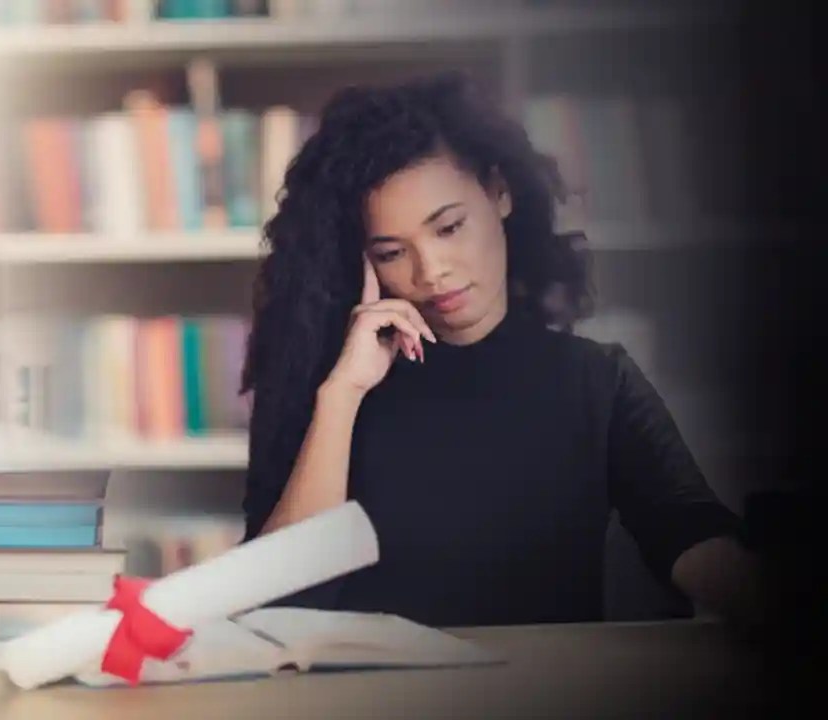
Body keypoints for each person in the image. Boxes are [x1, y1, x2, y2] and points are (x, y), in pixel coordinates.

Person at [238, 71, 769, 628]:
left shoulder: (594, 380)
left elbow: (691, 535)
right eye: (392, 252)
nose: (431, 271)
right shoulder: (327, 385)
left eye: (449, 228)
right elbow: (274, 603)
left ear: (499, 193)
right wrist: (342, 396)